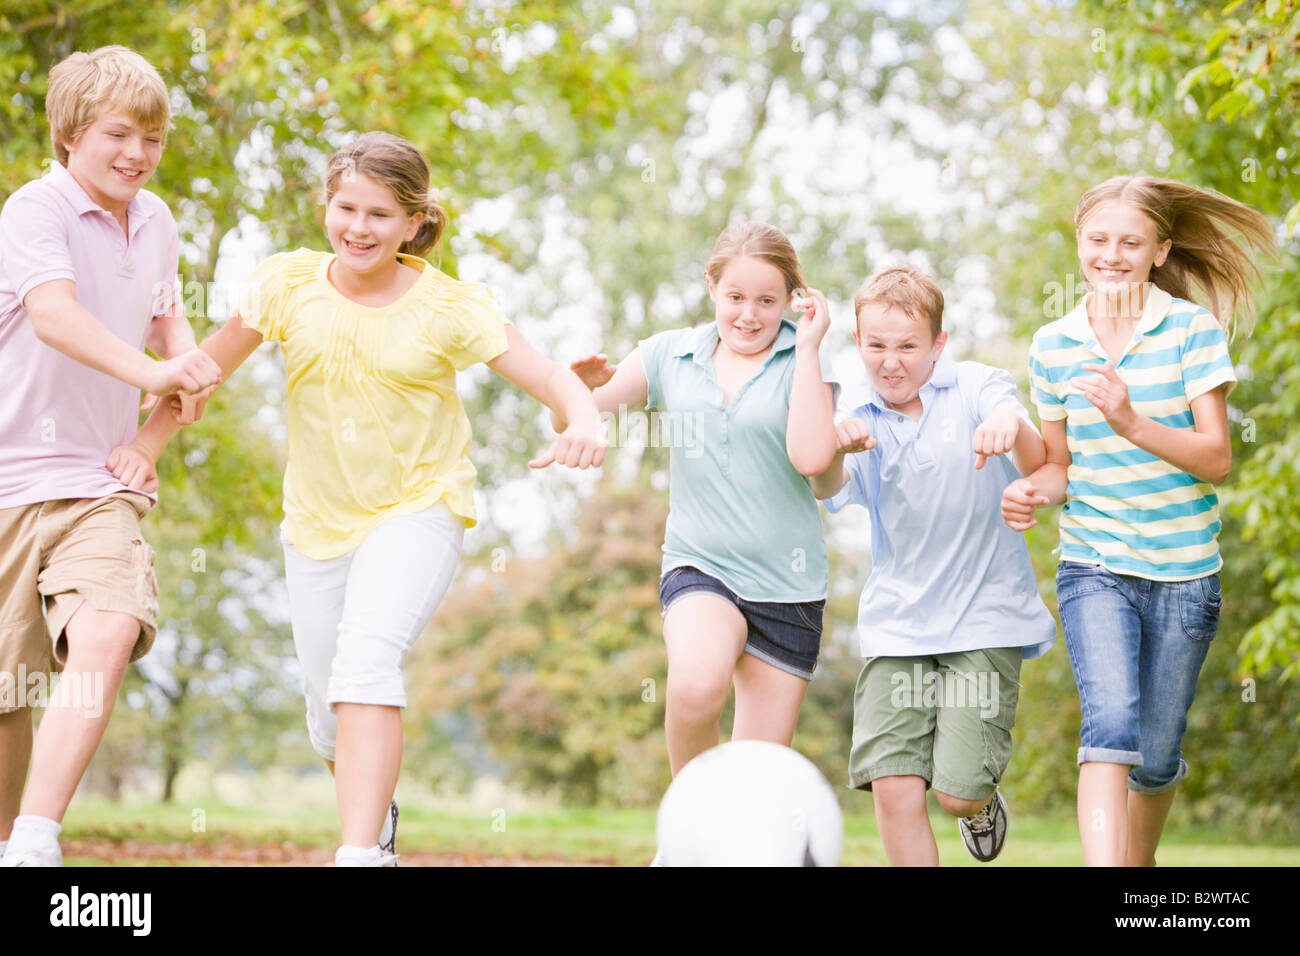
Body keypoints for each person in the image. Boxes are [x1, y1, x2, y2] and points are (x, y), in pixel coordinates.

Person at [112, 131, 606, 866]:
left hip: (420, 506)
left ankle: (357, 856)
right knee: (327, 714)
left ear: (413, 223)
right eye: (346, 207)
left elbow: (550, 376)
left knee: (366, 662)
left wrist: (586, 417)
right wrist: (146, 446)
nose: (358, 228)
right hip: (315, 525)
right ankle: (375, 828)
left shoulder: (451, 305)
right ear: (325, 205)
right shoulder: (286, 285)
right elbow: (202, 371)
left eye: (380, 214)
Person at [1003, 175, 1275, 866]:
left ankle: (1138, 866)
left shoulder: (1191, 330)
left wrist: (1129, 419)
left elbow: (1215, 459)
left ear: (1160, 250)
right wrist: (1033, 491)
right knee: (1111, 725)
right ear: (1078, 244)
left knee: (1155, 756)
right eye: (1098, 239)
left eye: (1130, 241)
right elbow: (1060, 468)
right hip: (1094, 563)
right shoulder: (1054, 345)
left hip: (1186, 573)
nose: (1111, 254)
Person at [0, 46, 222, 867]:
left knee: (109, 625)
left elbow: (167, 320)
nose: (139, 154)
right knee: (6, 695)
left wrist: (182, 369)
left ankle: (36, 839)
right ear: (71, 134)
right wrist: (158, 371)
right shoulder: (35, 209)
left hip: (93, 485)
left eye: (154, 138)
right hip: (7, 484)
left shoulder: (156, 218)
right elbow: (54, 315)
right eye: (120, 135)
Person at [571, 221, 839, 803]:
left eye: (767, 301)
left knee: (755, 783)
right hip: (701, 565)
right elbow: (581, 415)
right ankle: (688, 830)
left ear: (792, 300)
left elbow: (819, 468)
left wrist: (812, 347)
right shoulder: (668, 353)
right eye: (736, 297)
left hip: (787, 586)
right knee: (694, 689)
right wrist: (575, 394)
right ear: (711, 287)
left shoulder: (807, 361)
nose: (749, 315)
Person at [811, 263, 1057, 865]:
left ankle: (978, 805)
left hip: (985, 618)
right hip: (898, 625)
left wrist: (1009, 424)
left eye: (907, 346)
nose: (890, 360)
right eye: (876, 345)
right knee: (894, 787)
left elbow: (1035, 455)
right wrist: (832, 449)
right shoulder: (858, 416)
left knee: (953, 793)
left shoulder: (979, 387)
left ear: (937, 345)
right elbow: (825, 487)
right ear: (859, 342)